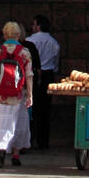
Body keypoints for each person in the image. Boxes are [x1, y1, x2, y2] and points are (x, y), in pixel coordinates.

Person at [0, 22, 33, 168]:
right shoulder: (24, 52)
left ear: (4, 35)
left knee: (0, 123)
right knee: (17, 123)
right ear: (18, 35)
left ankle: (1, 150)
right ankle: (16, 154)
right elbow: (29, 75)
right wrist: (30, 95)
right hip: (17, 95)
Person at [28, 15, 60, 149]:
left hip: (34, 73)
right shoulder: (54, 42)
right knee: (45, 109)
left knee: (31, 107)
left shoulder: (30, 41)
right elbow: (56, 62)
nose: (32, 27)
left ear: (38, 26)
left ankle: (29, 138)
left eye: (34, 24)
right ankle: (43, 141)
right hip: (48, 74)